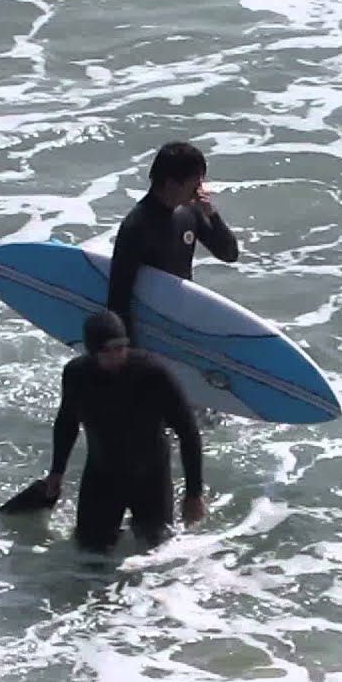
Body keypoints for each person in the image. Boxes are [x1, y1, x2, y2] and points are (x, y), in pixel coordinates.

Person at [42, 310, 207, 552]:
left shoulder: (153, 374)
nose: (117, 354)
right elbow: (67, 422)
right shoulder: (77, 374)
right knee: (88, 555)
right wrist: (56, 472)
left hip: (150, 477)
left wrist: (194, 493)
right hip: (102, 475)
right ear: (92, 350)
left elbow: (188, 432)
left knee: (156, 555)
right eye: (108, 349)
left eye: (121, 346)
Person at [106, 140, 239, 344]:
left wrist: (213, 215)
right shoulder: (137, 226)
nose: (200, 190)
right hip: (150, 324)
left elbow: (229, 254)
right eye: (195, 184)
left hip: (181, 318)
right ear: (171, 184)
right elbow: (119, 297)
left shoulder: (190, 211)